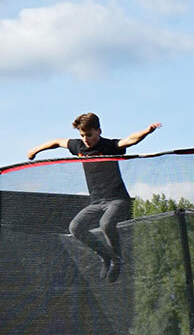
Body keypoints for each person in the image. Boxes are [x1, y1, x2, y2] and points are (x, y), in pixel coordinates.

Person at [28, 113, 161, 281]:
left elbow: (129, 140)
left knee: (105, 224)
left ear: (99, 131)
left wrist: (147, 131)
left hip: (117, 200)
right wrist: (35, 150)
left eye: (89, 135)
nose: (85, 139)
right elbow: (57, 142)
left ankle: (117, 261)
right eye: (82, 135)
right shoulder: (79, 147)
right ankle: (106, 256)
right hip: (97, 202)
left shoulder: (109, 146)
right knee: (75, 227)